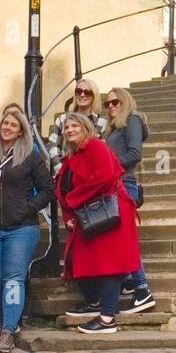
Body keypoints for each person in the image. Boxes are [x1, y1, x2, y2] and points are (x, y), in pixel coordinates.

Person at [0, 106, 52, 353]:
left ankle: (8, 330)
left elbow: (47, 189)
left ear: (21, 130)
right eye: (5, 124)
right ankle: (3, 320)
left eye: (13, 125)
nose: (8, 128)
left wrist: (27, 208)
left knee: (13, 279)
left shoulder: (30, 157)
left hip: (22, 228)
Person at [55, 114, 143, 334]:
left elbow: (105, 175)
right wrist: (69, 215)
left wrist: (75, 200)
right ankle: (98, 307)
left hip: (109, 213)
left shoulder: (96, 146)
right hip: (92, 214)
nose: (69, 129)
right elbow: (64, 189)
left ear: (86, 128)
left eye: (74, 125)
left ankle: (107, 319)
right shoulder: (73, 155)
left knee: (108, 265)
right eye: (66, 127)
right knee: (90, 262)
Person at [102, 87, 156, 313]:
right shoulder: (114, 128)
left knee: (125, 240)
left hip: (125, 185)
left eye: (116, 102)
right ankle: (127, 279)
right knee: (117, 240)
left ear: (125, 102)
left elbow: (135, 154)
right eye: (108, 103)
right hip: (115, 186)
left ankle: (142, 289)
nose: (112, 106)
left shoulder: (132, 119)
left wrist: (108, 169)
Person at [47, 80, 103, 175]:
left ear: (94, 96)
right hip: (66, 174)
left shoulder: (101, 123)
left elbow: (103, 152)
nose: (82, 95)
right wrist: (61, 170)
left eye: (87, 92)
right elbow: (53, 146)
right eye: (78, 91)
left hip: (91, 177)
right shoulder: (62, 119)